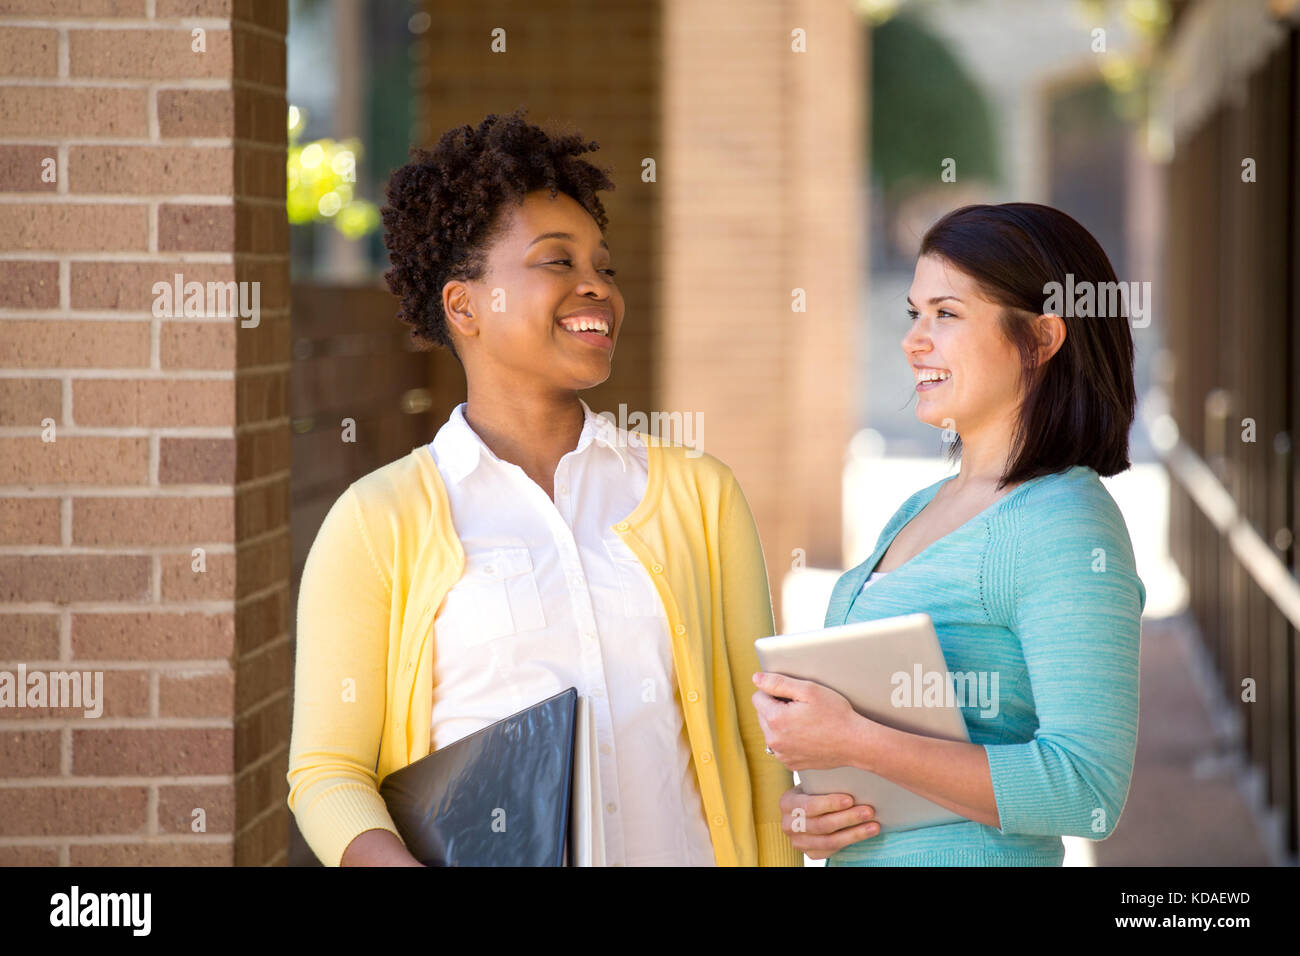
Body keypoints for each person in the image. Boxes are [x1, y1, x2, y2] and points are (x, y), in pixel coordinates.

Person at [286, 109, 802, 867]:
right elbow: (328, 773)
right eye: (558, 263)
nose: (597, 288)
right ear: (465, 306)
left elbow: (761, 755)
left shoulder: (701, 496)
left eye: (604, 267)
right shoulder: (377, 522)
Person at [752, 202, 1146, 866]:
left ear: (1042, 339)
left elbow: (1088, 791)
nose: (913, 340)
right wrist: (818, 806)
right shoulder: (918, 507)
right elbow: (900, 761)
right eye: (914, 313)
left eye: (947, 314)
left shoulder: (1064, 523)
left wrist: (855, 743)